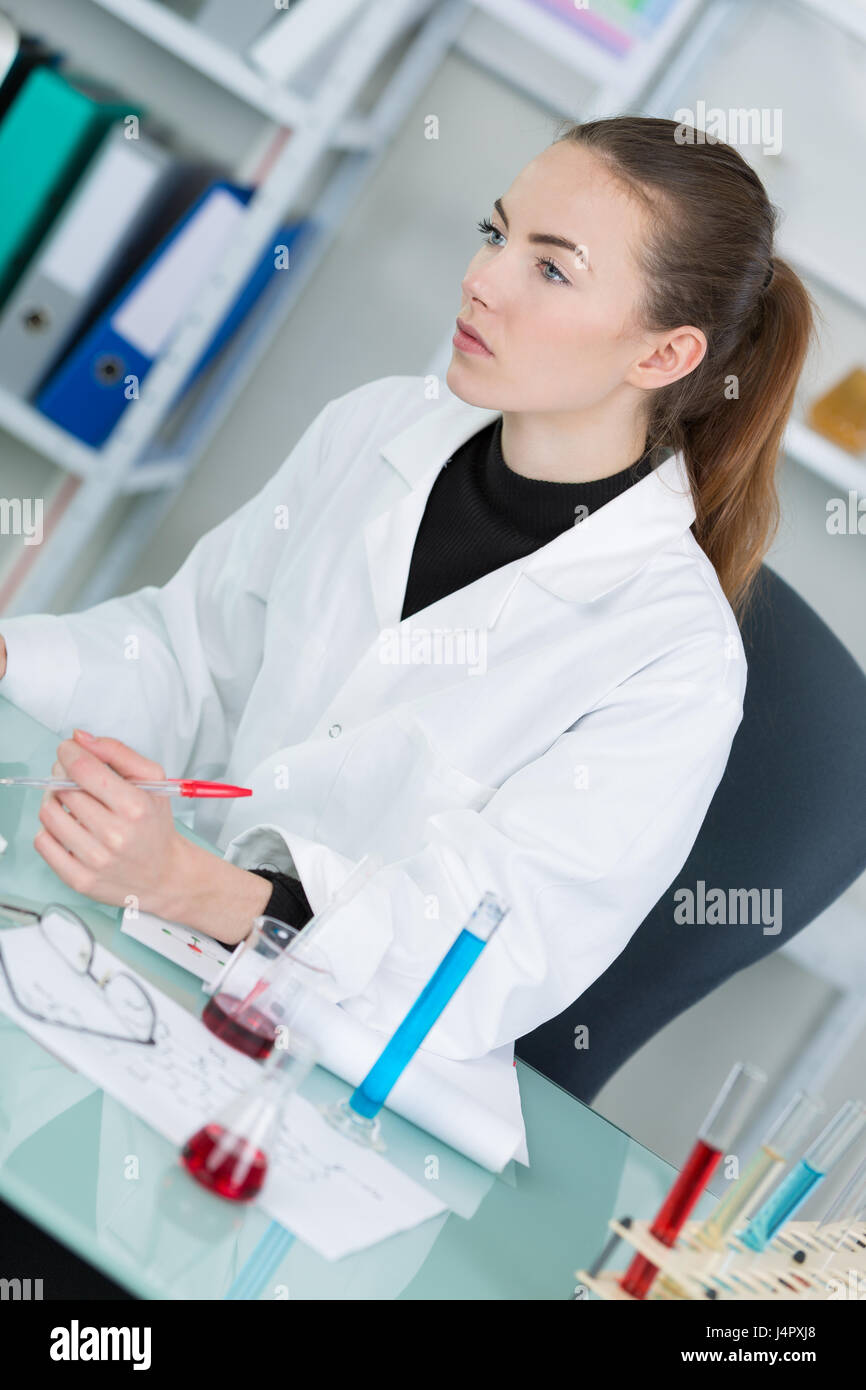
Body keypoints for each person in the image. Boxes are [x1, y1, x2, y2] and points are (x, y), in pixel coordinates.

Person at [0, 116, 815, 1062]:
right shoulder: (378, 426)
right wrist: (18, 655)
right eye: (495, 234)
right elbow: (192, 658)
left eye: (551, 269)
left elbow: (498, 945)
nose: (482, 280)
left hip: (341, 1074)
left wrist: (194, 886)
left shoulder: (674, 653)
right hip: (149, 959)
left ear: (665, 356)